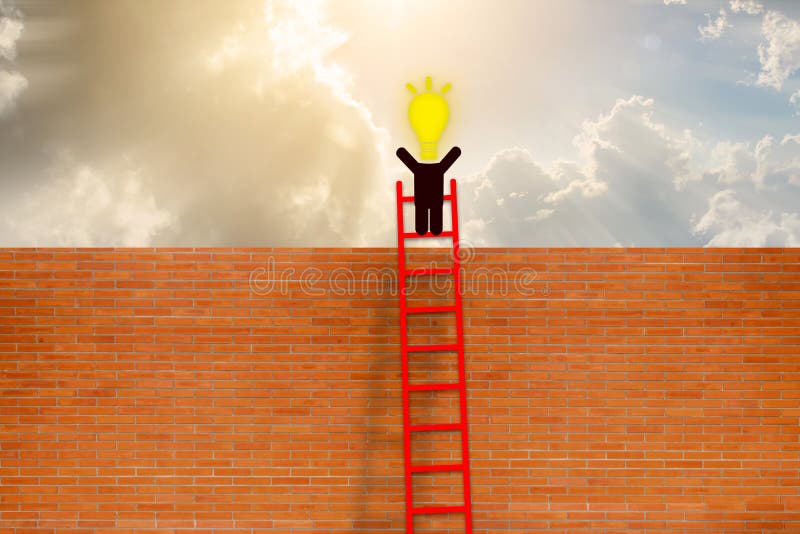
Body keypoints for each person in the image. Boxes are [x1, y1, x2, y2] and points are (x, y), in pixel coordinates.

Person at [396, 146, 461, 236]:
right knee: (432, 229)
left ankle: (429, 229)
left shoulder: (420, 170)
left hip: (425, 200)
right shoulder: (437, 170)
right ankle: (430, 229)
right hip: (431, 200)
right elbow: (454, 154)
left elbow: (403, 155)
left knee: (424, 229)